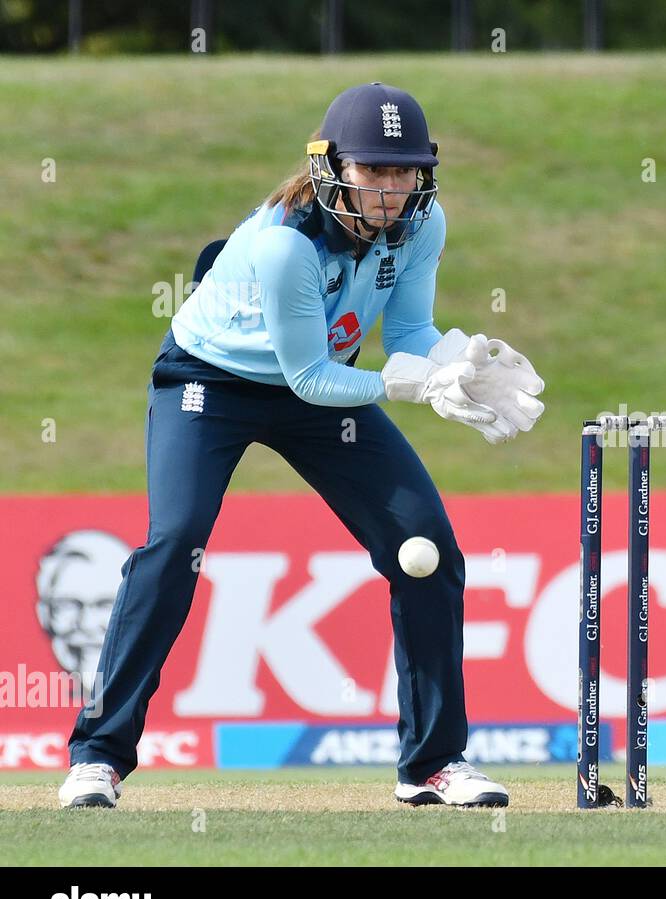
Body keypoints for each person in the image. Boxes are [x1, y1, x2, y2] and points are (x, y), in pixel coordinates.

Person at [58, 82, 544, 809]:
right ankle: (97, 757)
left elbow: (408, 333)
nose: (390, 190)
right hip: (210, 385)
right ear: (332, 168)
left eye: (404, 171)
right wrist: (410, 387)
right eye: (374, 172)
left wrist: (455, 364)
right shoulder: (287, 244)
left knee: (427, 549)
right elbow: (310, 377)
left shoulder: (422, 224)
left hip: (321, 387)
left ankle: (433, 765)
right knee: (177, 541)